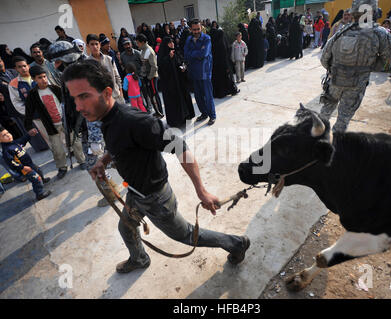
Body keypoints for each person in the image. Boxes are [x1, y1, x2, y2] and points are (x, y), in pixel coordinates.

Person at [62, 59, 250, 273]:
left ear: (106, 93)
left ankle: (237, 243)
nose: (78, 107)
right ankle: (140, 259)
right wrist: (103, 160)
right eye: (74, 98)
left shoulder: (136, 122)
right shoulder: (106, 118)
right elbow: (119, 145)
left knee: (187, 235)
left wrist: (202, 190)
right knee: (126, 227)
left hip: (155, 198)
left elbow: (180, 146)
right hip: (135, 192)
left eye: (84, 96)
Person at [320, 0, 391, 132]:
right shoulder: (380, 33)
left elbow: (324, 57)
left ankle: (317, 137)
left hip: (336, 79)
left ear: (354, 12)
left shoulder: (342, 30)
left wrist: (332, 69)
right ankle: (336, 143)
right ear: (373, 12)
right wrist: (371, 67)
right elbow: (387, 61)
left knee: (325, 112)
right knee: (343, 118)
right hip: (357, 83)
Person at [25, 65, 86, 179]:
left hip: (65, 121)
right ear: (33, 79)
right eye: (40, 78)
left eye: (44, 76)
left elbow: (69, 103)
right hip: (51, 126)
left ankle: (82, 161)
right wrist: (28, 126)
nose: (44, 80)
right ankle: (62, 167)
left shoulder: (56, 88)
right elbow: (28, 111)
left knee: (75, 143)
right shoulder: (33, 95)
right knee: (57, 149)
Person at [0, 123, 51, 201]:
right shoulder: (7, 151)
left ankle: (42, 180)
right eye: (4, 136)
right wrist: (22, 167)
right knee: (36, 179)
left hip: (30, 164)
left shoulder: (13, 142)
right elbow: (11, 163)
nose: (8, 135)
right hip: (24, 169)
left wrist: (29, 134)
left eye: (8, 133)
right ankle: (40, 193)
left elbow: (22, 140)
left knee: (38, 170)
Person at [8, 56, 50, 151]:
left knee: (61, 132)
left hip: (50, 110)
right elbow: (17, 103)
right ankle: (59, 157)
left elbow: (50, 89)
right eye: (19, 67)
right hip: (36, 116)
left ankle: (70, 151)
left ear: (28, 65)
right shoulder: (13, 84)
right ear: (15, 69)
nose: (23, 68)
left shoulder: (39, 75)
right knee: (48, 137)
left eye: (24, 65)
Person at [184, 19, 216, 126]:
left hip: (204, 72)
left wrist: (193, 53)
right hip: (194, 72)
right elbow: (186, 54)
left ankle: (212, 116)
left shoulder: (207, 39)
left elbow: (204, 53)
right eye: (194, 29)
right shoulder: (189, 39)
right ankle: (204, 113)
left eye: (198, 29)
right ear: (191, 29)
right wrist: (197, 53)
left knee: (208, 96)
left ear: (201, 28)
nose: (196, 31)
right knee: (198, 96)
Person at [157, 37, 195, 128]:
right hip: (170, 84)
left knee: (184, 98)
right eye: (169, 43)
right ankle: (177, 121)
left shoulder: (176, 52)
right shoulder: (162, 55)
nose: (172, 44)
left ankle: (186, 116)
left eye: (172, 42)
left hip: (180, 82)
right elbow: (161, 69)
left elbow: (183, 61)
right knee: (174, 102)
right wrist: (168, 58)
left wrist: (184, 67)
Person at [86, 34, 125, 104]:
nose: (95, 47)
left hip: (116, 96)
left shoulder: (109, 59)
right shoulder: (87, 64)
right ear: (88, 46)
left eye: (96, 44)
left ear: (100, 44)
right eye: (92, 44)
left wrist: (121, 92)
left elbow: (117, 77)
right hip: (102, 100)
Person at [136, 33, 164, 118]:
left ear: (143, 42)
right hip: (146, 76)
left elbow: (154, 66)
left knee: (154, 95)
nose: (137, 44)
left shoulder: (149, 51)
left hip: (151, 77)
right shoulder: (142, 50)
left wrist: (149, 77)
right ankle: (157, 111)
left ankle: (160, 112)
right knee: (151, 95)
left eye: (138, 42)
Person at [210, 29, 239, 99]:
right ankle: (232, 90)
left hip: (216, 65)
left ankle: (220, 93)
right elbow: (225, 54)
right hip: (224, 64)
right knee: (227, 77)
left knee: (218, 79)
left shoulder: (213, 43)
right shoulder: (222, 43)